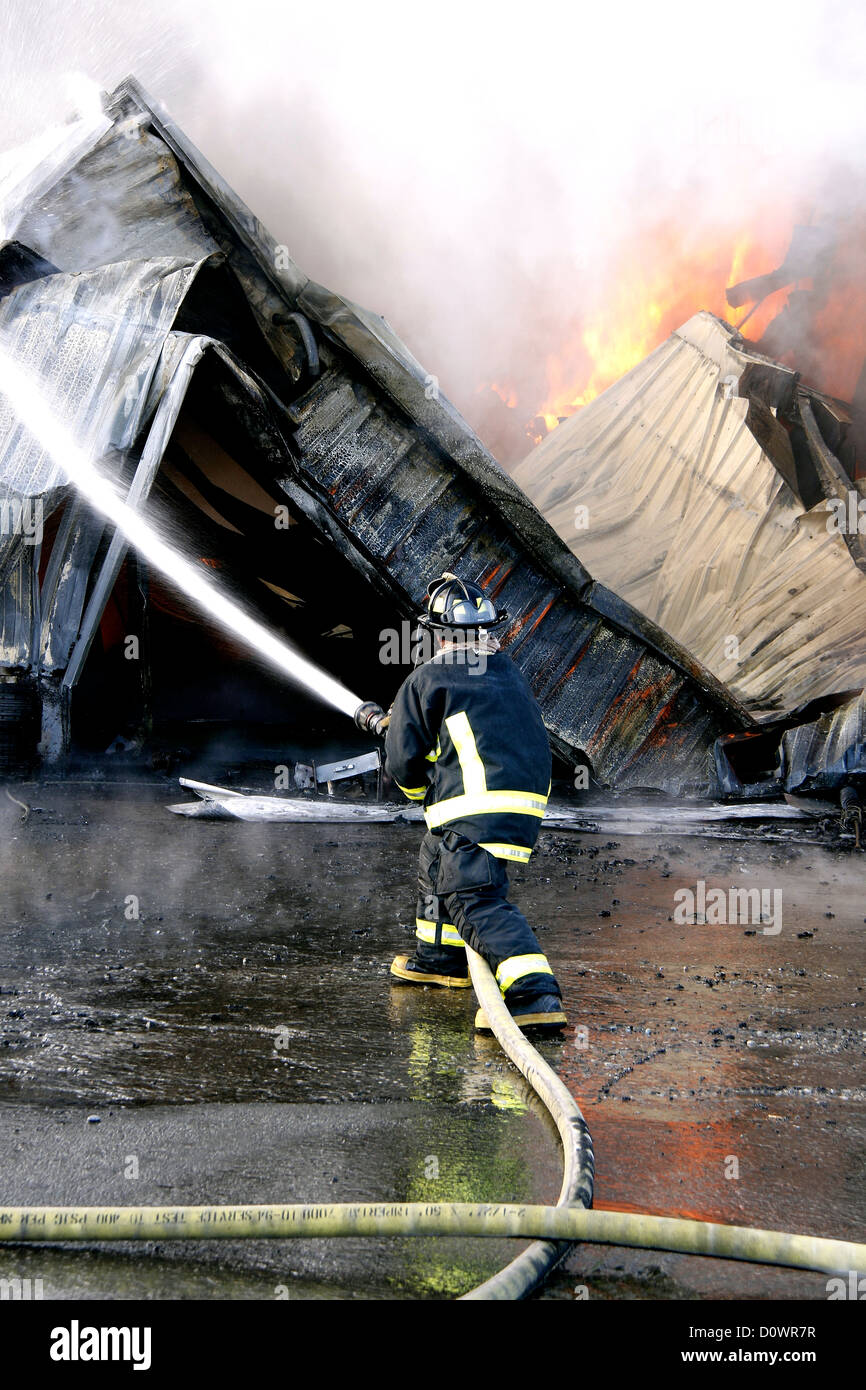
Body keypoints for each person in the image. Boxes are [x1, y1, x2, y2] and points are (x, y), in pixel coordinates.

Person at [384, 572, 566, 1033]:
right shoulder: (507, 672)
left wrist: (419, 794)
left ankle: (535, 994)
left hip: (476, 807)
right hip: (521, 804)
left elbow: (403, 759)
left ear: (437, 632)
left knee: (474, 897)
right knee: (435, 861)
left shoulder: (427, 678)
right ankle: (440, 960)